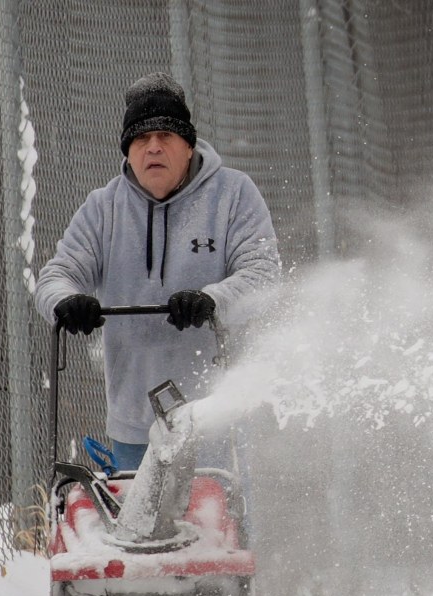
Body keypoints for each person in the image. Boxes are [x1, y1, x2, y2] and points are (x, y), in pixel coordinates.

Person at [35, 72, 280, 470]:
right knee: (132, 530)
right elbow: (55, 276)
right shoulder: (103, 208)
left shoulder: (233, 195)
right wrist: (67, 302)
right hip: (133, 428)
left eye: (165, 136)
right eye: (141, 139)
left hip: (215, 423)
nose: (153, 148)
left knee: (216, 526)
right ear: (127, 150)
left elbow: (263, 274)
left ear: (188, 145)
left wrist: (211, 300)